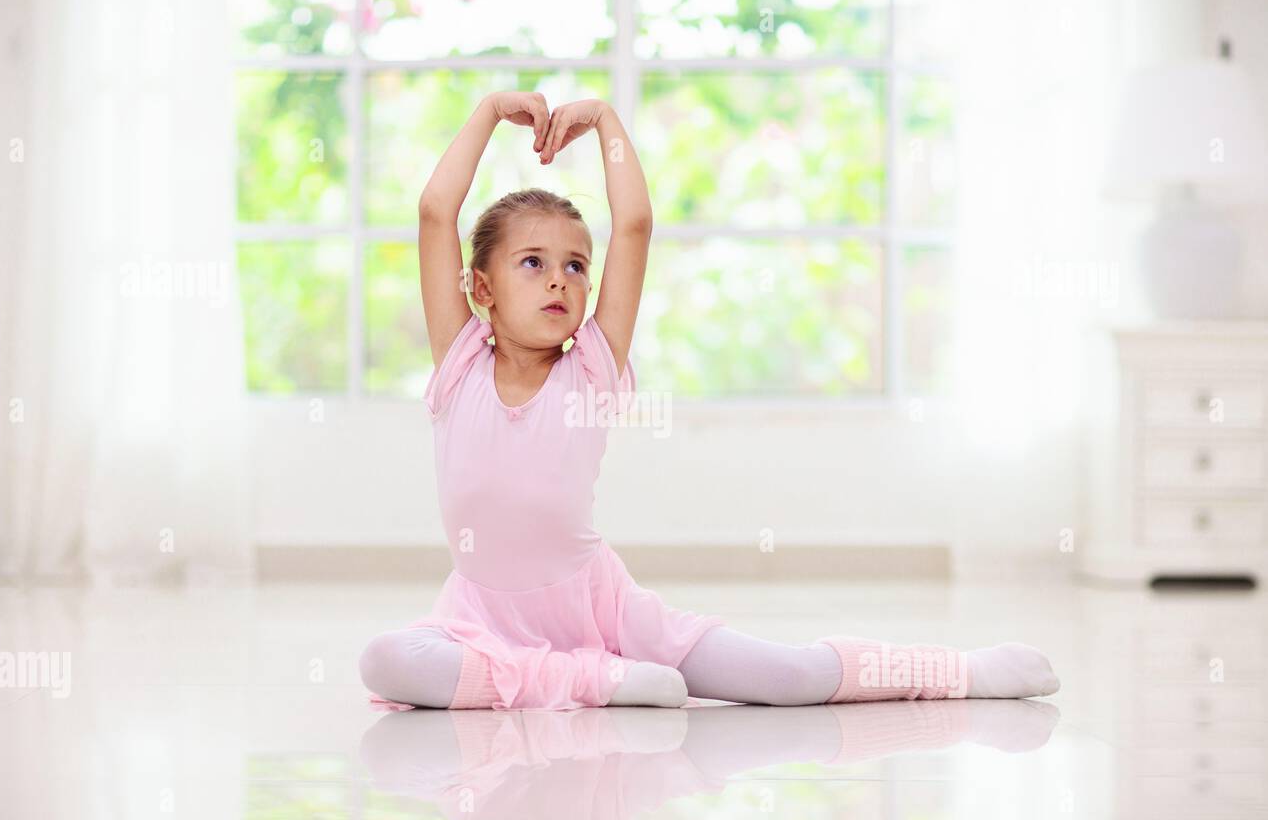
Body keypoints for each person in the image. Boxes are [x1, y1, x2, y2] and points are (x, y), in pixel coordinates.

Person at [359, 92, 1060, 711]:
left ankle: (965, 671)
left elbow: (633, 224)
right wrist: (486, 112)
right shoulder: (461, 369)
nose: (560, 282)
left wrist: (604, 119)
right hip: (480, 623)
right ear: (480, 289)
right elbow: (433, 211)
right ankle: (593, 683)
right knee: (386, 661)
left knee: (789, 677)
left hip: (605, 615)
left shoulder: (591, 371)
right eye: (532, 263)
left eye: (576, 265)